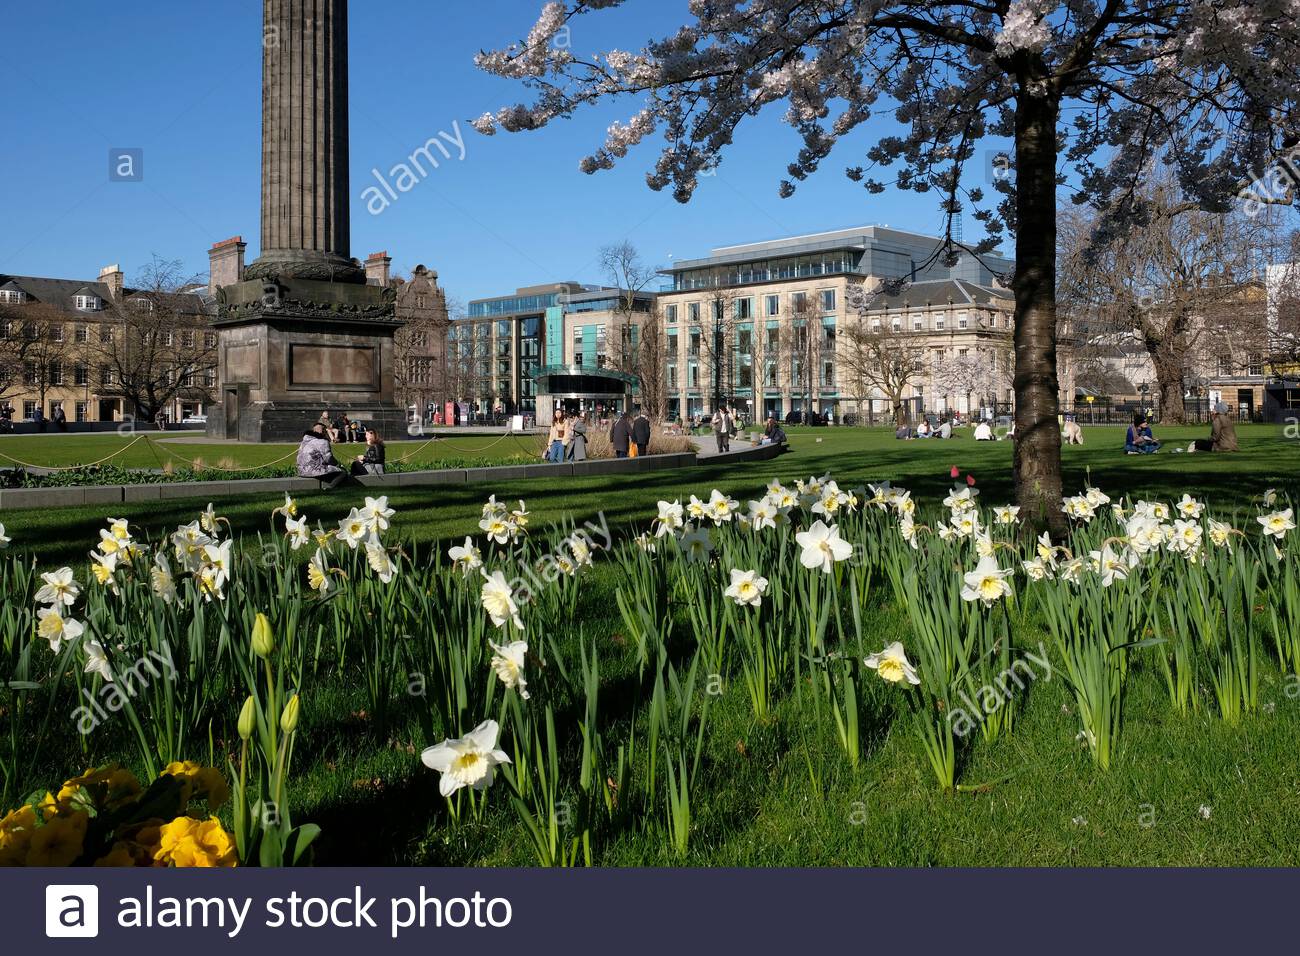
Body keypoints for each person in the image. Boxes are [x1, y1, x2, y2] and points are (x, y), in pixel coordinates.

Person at [297, 423, 347, 488]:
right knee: (342, 472)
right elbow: (329, 458)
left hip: (301, 470)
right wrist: (338, 465)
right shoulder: (322, 441)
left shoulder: (304, 441)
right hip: (314, 470)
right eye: (325, 430)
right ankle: (329, 489)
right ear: (322, 431)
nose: (326, 432)